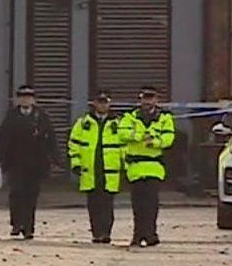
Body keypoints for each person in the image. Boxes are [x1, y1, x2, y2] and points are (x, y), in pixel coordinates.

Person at [0, 85, 59, 240]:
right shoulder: (12, 116)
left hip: (36, 163)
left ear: (33, 99)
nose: (25, 100)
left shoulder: (41, 116)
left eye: (28, 97)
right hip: (15, 162)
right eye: (22, 97)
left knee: (31, 195)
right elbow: (2, 139)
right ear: (17, 100)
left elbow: (51, 139)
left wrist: (56, 159)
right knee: (16, 193)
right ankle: (16, 223)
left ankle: (28, 227)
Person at [119, 86, 175, 247]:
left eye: (151, 97)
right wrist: (139, 136)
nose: (147, 101)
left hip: (153, 167)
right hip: (135, 167)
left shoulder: (165, 117)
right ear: (140, 99)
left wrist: (155, 142)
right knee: (138, 205)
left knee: (151, 204)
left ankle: (150, 234)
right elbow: (122, 134)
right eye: (145, 97)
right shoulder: (130, 117)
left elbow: (169, 138)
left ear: (157, 99)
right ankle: (138, 235)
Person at [69, 91, 124, 244]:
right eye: (99, 102)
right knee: (93, 204)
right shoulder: (83, 123)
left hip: (110, 170)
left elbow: (124, 146)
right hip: (90, 170)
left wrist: (126, 166)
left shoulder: (118, 123)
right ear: (94, 103)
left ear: (109, 103)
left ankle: (105, 233)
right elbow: (74, 145)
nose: (102, 105)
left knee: (107, 204)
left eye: (105, 102)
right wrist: (75, 164)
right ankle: (96, 232)